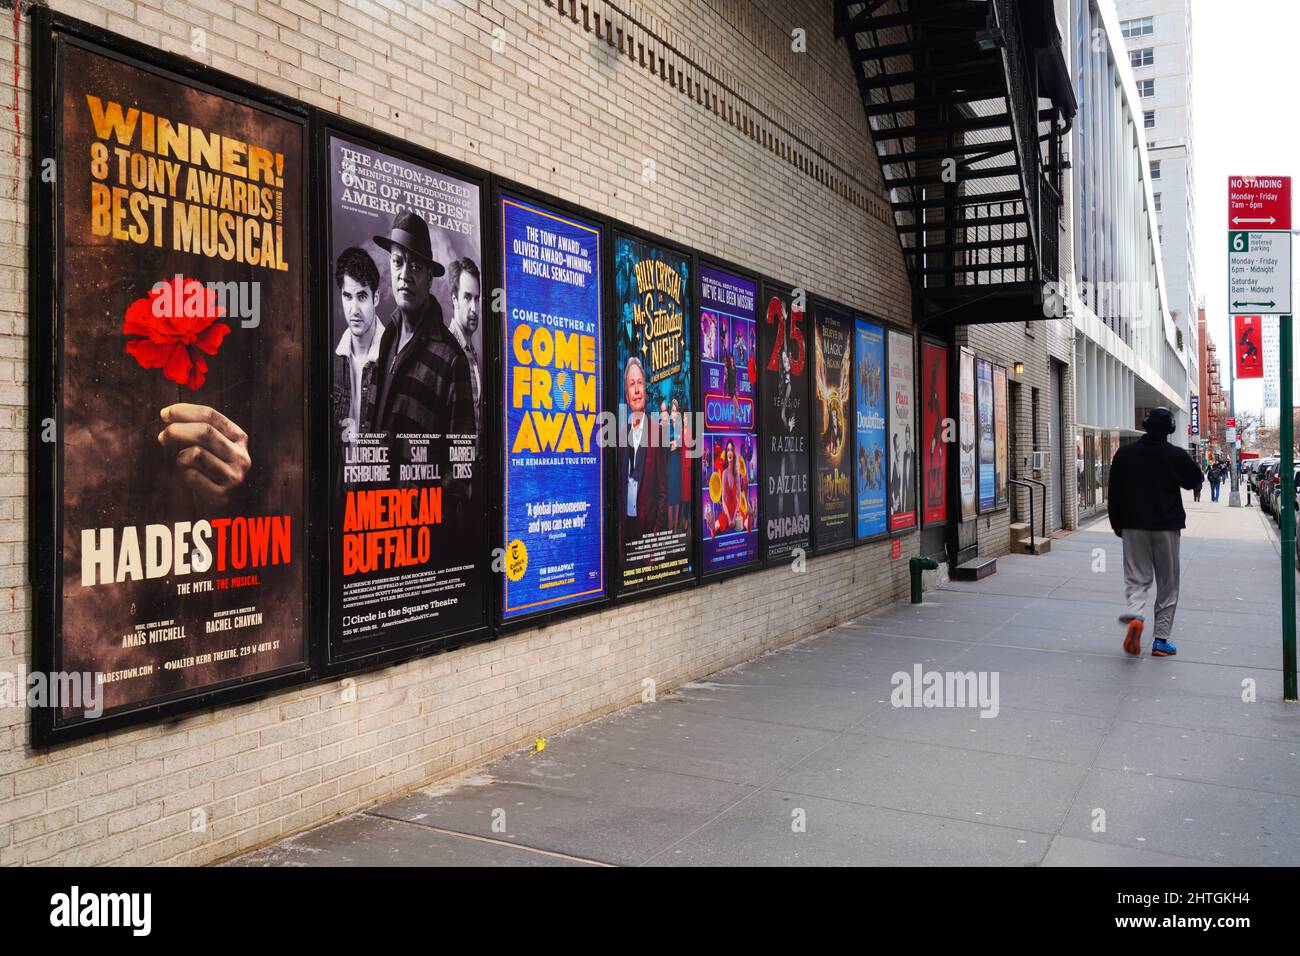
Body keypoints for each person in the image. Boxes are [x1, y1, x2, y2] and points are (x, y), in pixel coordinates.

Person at [371, 209, 476, 509]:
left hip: (419, 532)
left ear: (430, 276)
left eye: (415, 266)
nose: (405, 275)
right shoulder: (385, 338)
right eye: (398, 262)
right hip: (373, 522)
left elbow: (461, 465)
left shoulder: (451, 358)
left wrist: (421, 511)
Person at [1107, 406, 1204, 658]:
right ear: (1170, 429)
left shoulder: (1124, 454)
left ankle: (1136, 615)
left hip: (1132, 526)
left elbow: (1113, 493)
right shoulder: (1175, 454)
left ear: (1145, 424)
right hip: (1166, 526)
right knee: (1168, 583)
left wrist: (1117, 524)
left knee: (1136, 578)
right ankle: (1161, 641)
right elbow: (1194, 480)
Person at [332, 246, 383, 441]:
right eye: (347, 296)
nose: (354, 310)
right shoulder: (334, 362)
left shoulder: (393, 359)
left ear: (375, 298)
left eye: (362, 297)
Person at [619, 356, 668, 542]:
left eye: (640, 383)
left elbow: (663, 495)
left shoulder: (658, 432)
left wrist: (654, 540)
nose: (637, 389)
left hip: (648, 538)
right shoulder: (621, 436)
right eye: (632, 384)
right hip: (627, 536)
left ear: (646, 390)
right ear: (627, 395)